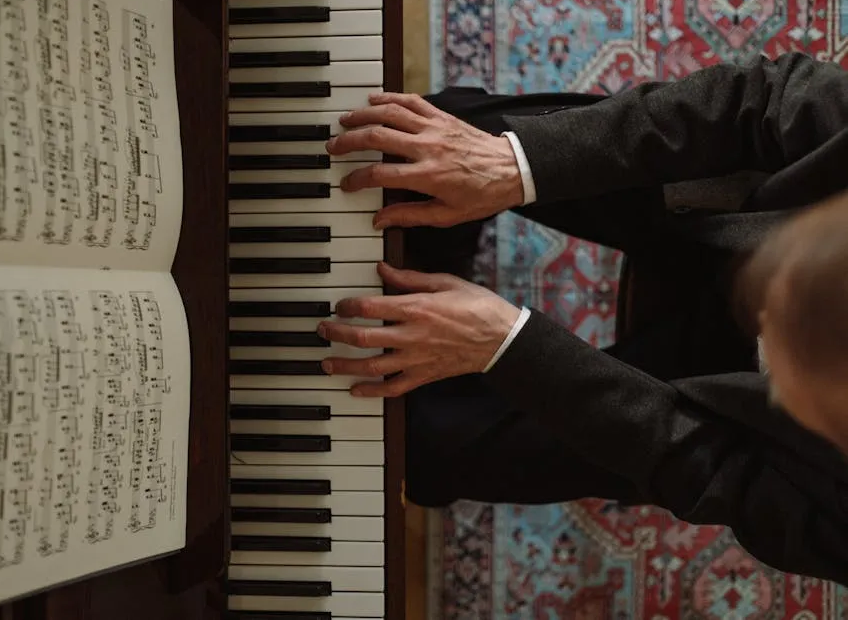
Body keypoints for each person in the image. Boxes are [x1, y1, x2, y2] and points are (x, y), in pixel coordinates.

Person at [313, 52, 848, 585]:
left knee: (414, 443)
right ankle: (426, 259)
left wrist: (508, 344)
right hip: (737, 207)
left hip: (720, 423)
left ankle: (428, 293)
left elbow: (723, 475)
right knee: (409, 145)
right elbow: (756, 101)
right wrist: (517, 165)